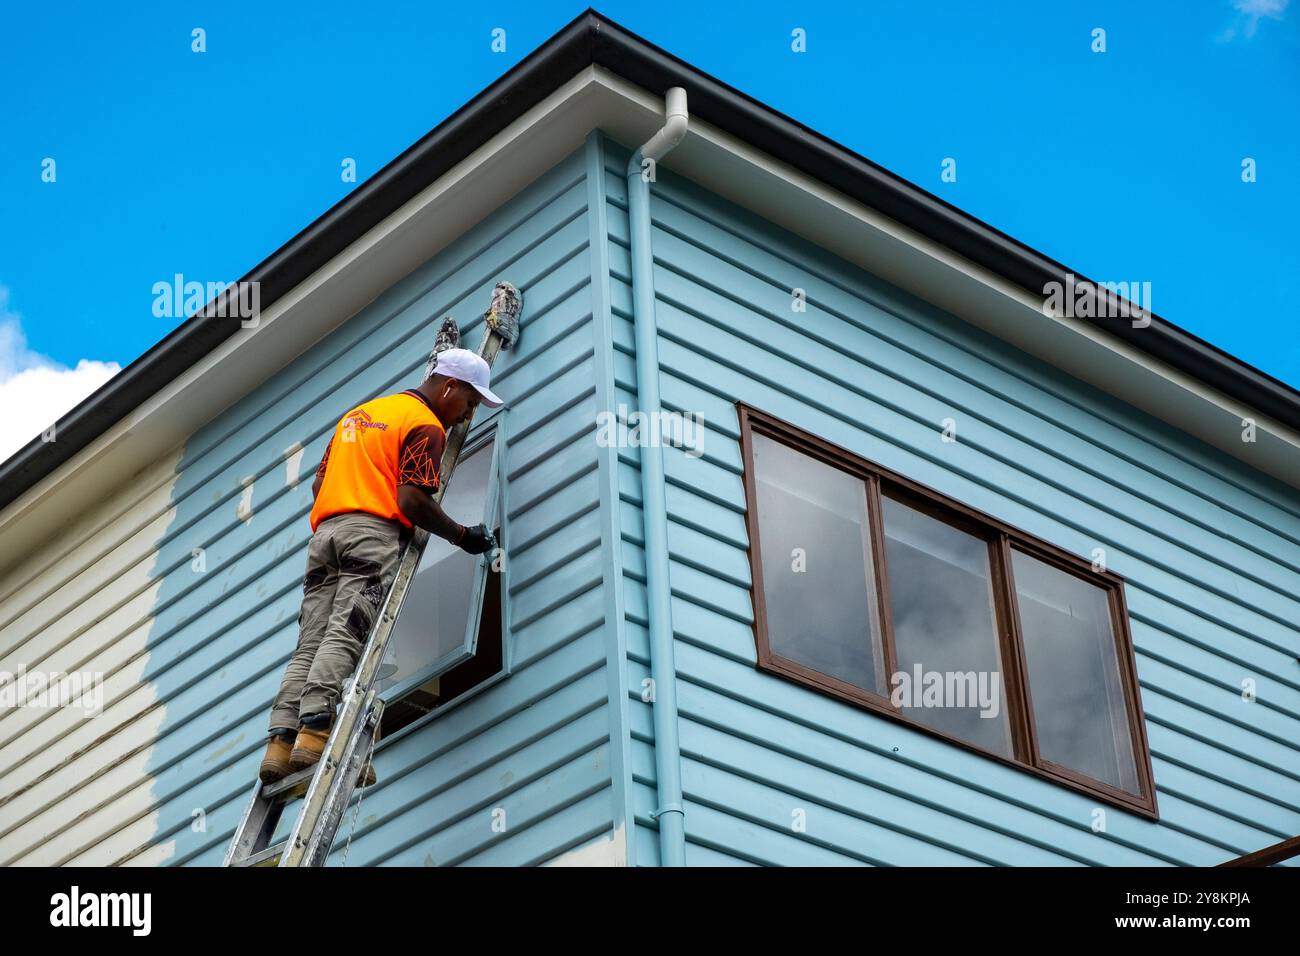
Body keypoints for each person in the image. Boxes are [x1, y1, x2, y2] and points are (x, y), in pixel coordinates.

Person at [258, 347, 504, 786]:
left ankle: (281, 741)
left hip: (326, 536)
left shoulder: (359, 415)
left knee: (311, 638)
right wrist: (462, 536)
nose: (467, 416)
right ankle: (315, 731)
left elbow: (320, 483)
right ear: (449, 386)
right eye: (468, 403)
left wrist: (349, 504)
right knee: (345, 631)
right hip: (370, 537)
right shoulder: (425, 426)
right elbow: (411, 500)